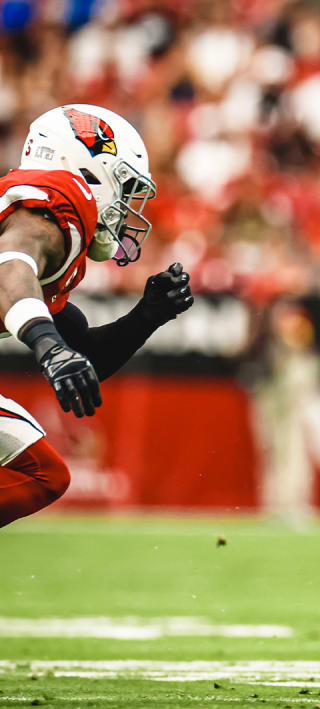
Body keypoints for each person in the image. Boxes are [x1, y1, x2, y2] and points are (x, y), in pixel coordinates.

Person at [0, 104, 193, 528]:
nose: (126, 207)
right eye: (124, 187)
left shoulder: (48, 240)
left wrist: (148, 316)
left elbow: (86, 354)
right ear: (87, 169)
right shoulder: (57, 204)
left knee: (43, 473)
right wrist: (48, 348)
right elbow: (11, 267)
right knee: (39, 473)